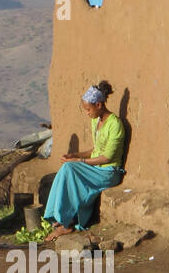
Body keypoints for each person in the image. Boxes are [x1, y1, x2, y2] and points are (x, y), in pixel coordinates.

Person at [44, 80, 125, 239]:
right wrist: (76, 155)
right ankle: (60, 217)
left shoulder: (115, 124)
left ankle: (66, 223)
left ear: (99, 105)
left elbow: (107, 157)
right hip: (95, 169)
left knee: (70, 168)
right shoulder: (96, 121)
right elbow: (96, 151)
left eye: (88, 109)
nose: (87, 113)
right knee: (66, 168)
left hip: (108, 172)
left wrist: (78, 163)